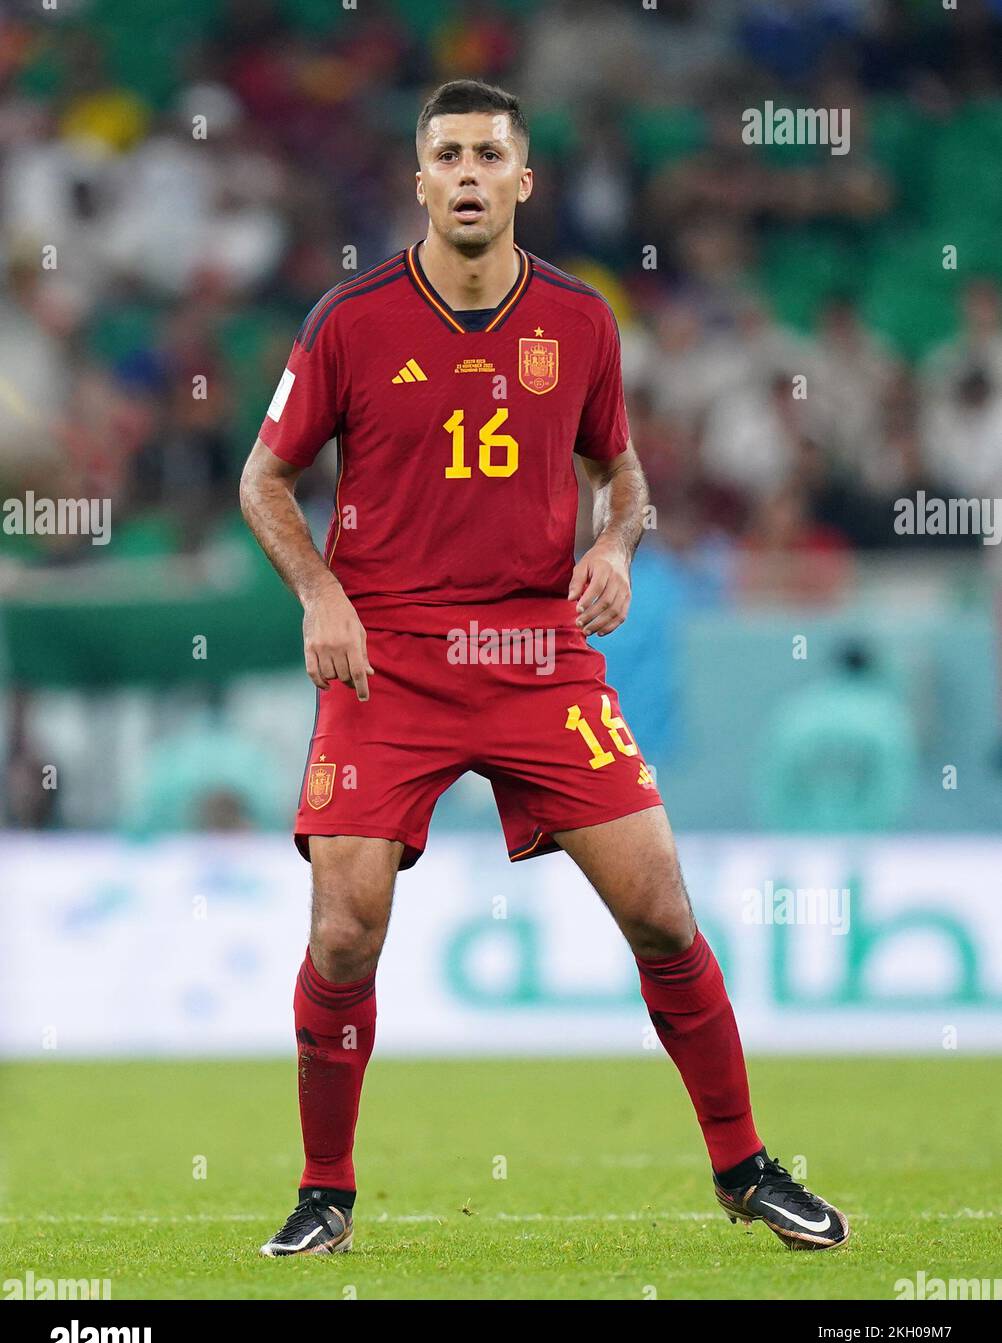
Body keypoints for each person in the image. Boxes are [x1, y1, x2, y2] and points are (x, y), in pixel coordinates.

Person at [240, 80, 849, 1258]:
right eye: (446, 155)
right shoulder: (349, 320)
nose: (467, 173)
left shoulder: (579, 322)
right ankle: (326, 1191)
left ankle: (744, 1166)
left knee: (664, 912)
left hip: (538, 655)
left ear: (524, 180)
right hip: (391, 659)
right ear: (419, 181)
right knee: (344, 936)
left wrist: (617, 543)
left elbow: (624, 475)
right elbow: (264, 477)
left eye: (489, 155)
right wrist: (321, 591)